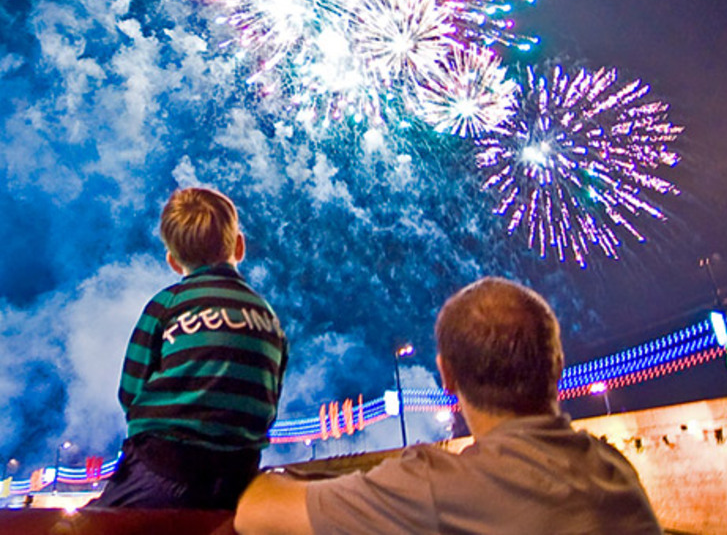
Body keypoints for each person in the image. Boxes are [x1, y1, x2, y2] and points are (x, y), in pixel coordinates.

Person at [234, 277, 663, 534]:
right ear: (556, 364)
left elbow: (255, 512)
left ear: (447, 376)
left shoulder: (435, 486)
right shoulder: (615, 470)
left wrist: (280, 472)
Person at [92, 187, 288, 510]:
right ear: (239, 246)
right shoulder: (269, 316)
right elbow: (270, 395)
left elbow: (129, 392)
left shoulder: (167, 304)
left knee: (95, 523)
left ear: (172, 260)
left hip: (163, 464)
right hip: (239, 473)